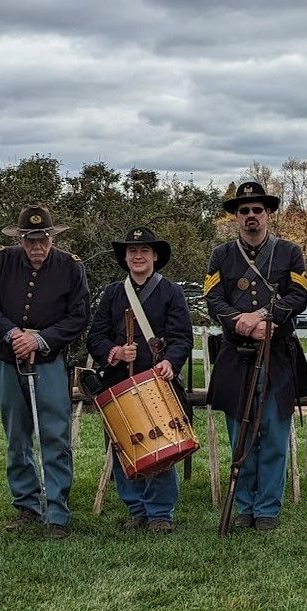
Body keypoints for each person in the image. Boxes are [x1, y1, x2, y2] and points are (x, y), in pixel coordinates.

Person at [0, 205, 89, 539]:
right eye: (30, 240)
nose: (37, 247)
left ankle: (57, 512)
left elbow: (78, 317)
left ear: (52, 237)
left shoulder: (70, 266)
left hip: (49, 363)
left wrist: (40, 339)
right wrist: (13, 335)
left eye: (43, 239)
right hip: (9, 361)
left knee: (55, 436)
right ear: (20, 239)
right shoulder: (1, 262)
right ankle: (27, 505)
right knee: (17, 437)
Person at [205, 181, 307, 532]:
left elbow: (298, 296)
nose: (251, 216)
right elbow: (214, 300)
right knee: (241, 434)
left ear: (268, 214)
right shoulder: (221, 255)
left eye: (257, 210)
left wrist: (266, 318)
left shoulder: (290, 253)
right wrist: (242, 323)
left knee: (274, 433)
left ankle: (267, 508)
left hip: (277, 354)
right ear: (236, 217)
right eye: (244, 211)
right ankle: (245, 505)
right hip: (237, 353)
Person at [86, 227, 194, 533]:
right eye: (132, 251)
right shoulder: (112, 293)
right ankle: (136, 509)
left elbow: (181, 337)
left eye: (144, 251)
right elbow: (96, 337)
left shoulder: (171, 292)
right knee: (125, 447)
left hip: (157, 382)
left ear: (155, 256)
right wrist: (116, 352)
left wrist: (171, 362)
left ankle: (160, 512)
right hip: (120, 383)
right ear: (125, 257)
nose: (137, 256)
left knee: (161, 448)